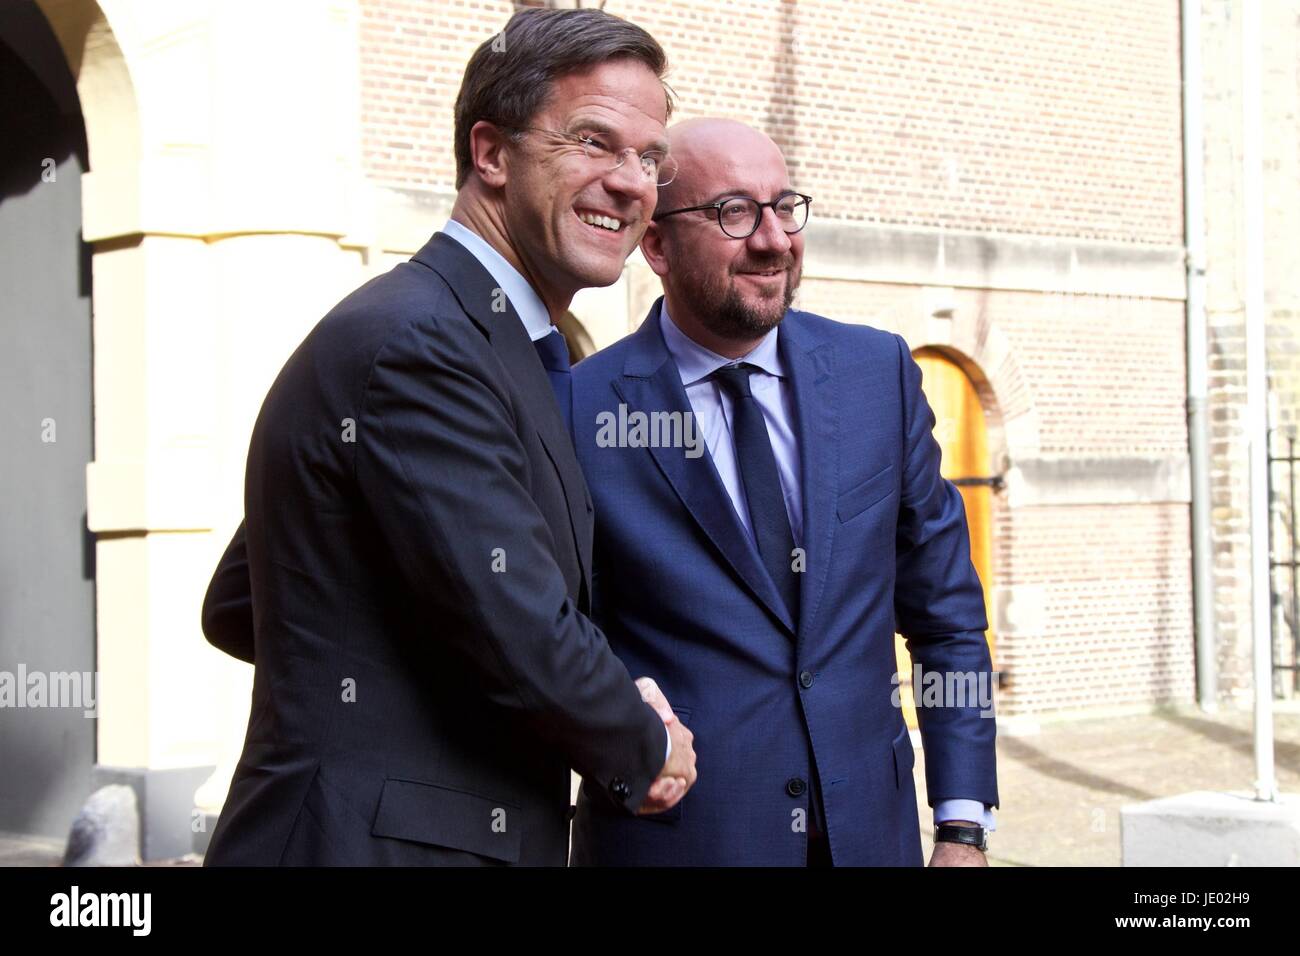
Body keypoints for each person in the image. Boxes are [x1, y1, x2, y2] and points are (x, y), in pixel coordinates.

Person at [199, 7, 696, 867]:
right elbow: (516, 628)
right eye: (592, 141)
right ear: (492, 153)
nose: (630, 182)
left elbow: (250, 601)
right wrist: (642, 742)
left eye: (649, 158)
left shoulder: (478, 338)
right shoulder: (424, 344)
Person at [567, 118, 998, 866]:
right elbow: (548, 634)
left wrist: (962, 825)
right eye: (733, 212)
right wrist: (612, 716)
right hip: (681, 842)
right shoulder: (581, 409)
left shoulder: (878, 376)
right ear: (658, 246)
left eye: (784, 207)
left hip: (873, 841)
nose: (773, 240)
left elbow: (947, 618)